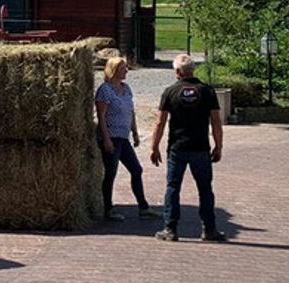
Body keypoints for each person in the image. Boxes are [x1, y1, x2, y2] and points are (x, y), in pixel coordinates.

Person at [150, 53, 226, 242]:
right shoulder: (207, 91)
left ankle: (170, 229)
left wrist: (154, 147)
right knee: (205, 188)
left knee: (173, 187)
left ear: (177, 72)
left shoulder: (170, 92)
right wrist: (218, 146)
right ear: (193, 70)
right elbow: (216, 121)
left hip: (177, 147)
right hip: (200, 147)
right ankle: (209, 229)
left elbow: (160, 122)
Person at [95, 56, 159, 222]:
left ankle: (143, 208)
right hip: (111, 137)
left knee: (136, 169)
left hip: (123, 138)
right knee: (111, 173)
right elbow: (101, 117)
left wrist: (135, 132)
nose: (126, 71)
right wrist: (106, 139)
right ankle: (108, 209)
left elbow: (131, 111)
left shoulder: (126, 88)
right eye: (123, 68)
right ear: (114, 70)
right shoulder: (105, 90)